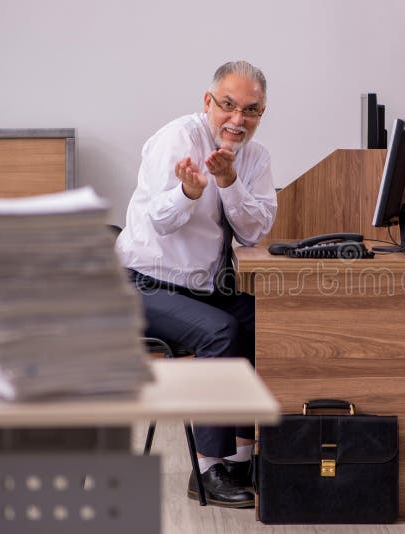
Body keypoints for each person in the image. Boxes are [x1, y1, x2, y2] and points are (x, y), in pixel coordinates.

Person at [115, 60, 276, 508]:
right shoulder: (177, 139)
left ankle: (243, 459)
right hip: (140, 285)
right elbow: (158, 223)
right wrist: (189, 191)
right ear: (208, 102)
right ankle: (207, 470)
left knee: (270, 322)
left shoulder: (256, 157)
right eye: (228, 105)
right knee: (219, 331)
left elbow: (254, 231)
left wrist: (228, 181)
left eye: (251, 110)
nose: (237, 120)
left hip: (199, 289)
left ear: (262, 113)